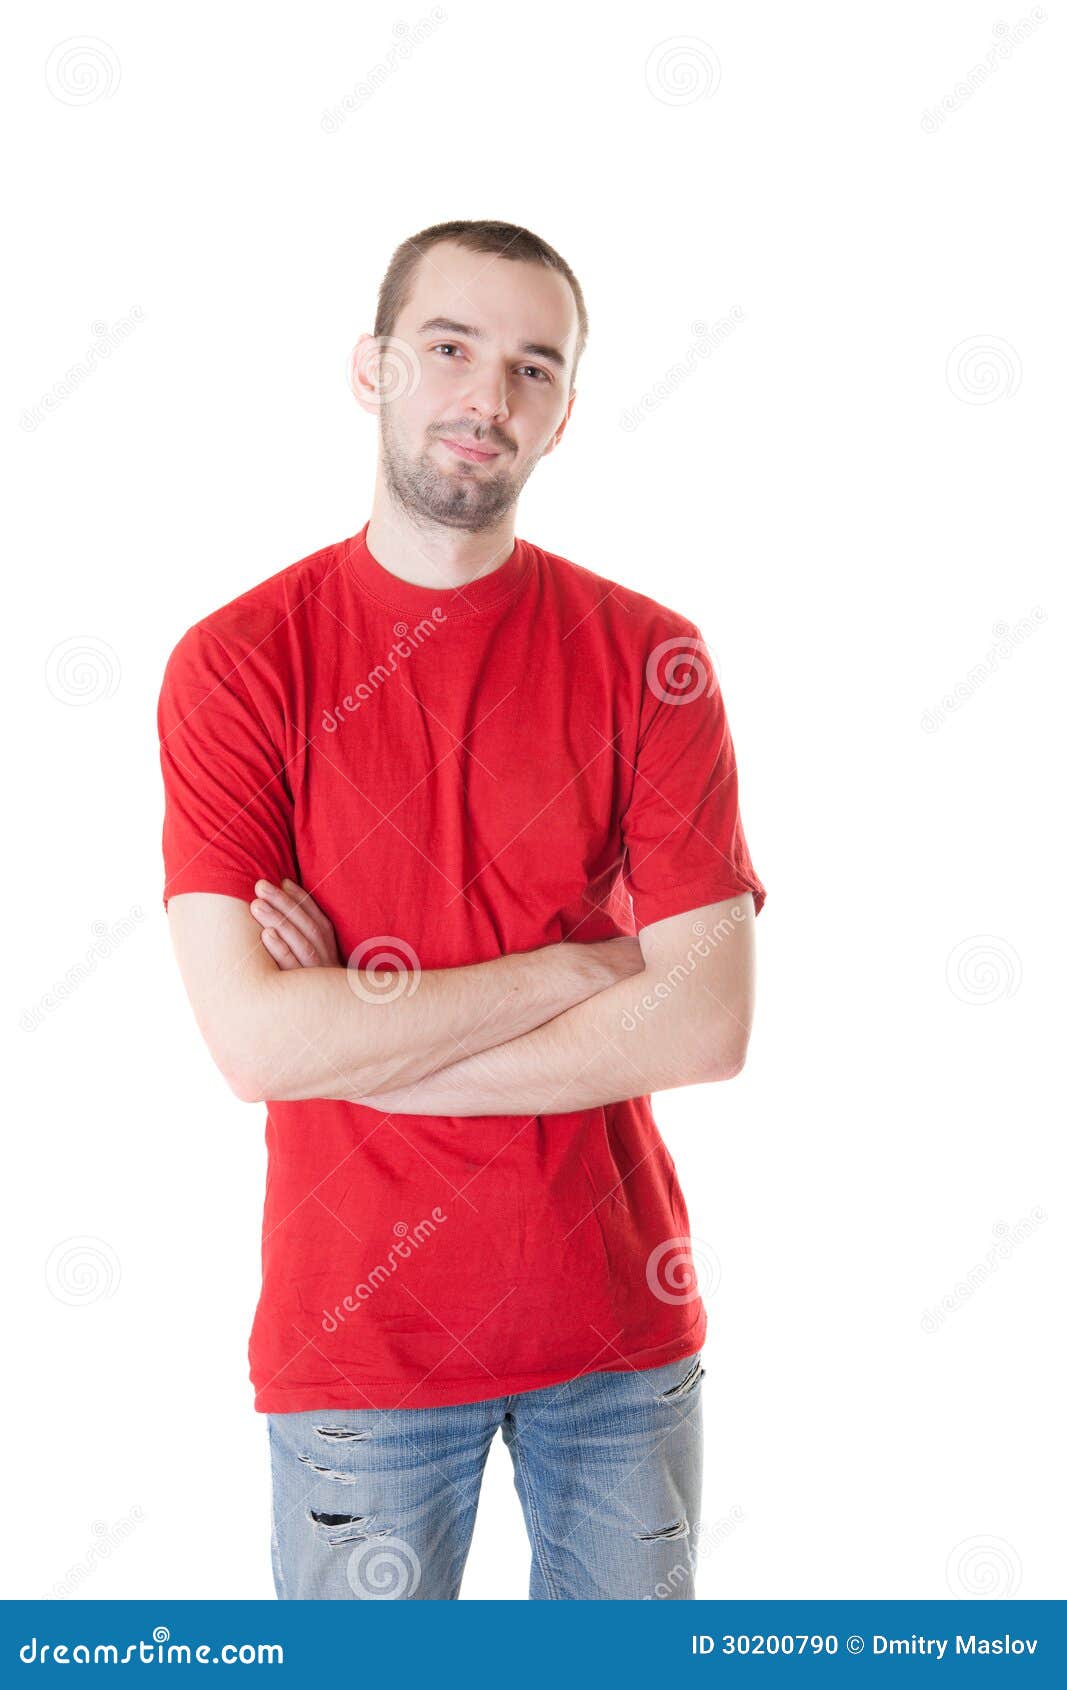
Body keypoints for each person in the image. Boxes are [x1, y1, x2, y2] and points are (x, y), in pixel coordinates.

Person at [157, 218, 767, 1601]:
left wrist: (363, 1041)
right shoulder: (241, 665)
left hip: (619, 1334)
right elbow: (255, 1046)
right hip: (361, 1344)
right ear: (372, 368)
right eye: (450, 348)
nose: (488, 395)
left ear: (563, 409)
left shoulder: (651, 657)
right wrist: (587, 965)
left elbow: (711, 1019)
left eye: (532, 366)